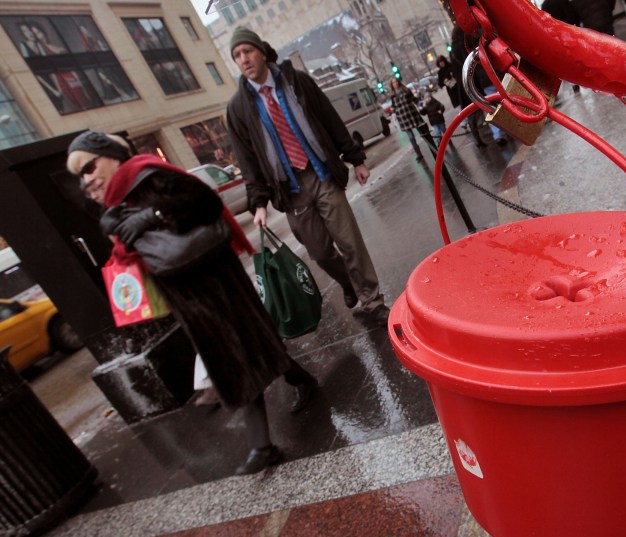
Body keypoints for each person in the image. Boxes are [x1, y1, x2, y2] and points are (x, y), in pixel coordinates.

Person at [66, 130, 318, 476]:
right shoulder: (114, 203)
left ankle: (262, 446)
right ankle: (300, 379)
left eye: (89, 166)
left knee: (237, 358)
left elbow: (206, 206)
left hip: (216, 281)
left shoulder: (150, 174)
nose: (87, 178)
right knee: (251, 348)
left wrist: (152, 215)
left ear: (110, 156)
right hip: (185, 296)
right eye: (80, 175)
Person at [225, 27, 390, 327]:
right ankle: (349, 283)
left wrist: (356, 159)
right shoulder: (239, 108)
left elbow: (329, 119)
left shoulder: (296, 82)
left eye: (247, 51)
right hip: (290, 189)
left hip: (321, 173)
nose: (243, 59)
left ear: (261, 52)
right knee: (320, 252)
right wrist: (258, 202)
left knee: (350, 241)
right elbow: (247, 160)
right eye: (237, 55)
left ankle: (373, 300)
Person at [389, 77, 429, 162]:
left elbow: (416, 100)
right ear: (392, 85)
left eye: (396, 82)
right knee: (411, 137)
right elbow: (393, 107)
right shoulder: (392, 95)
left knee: (422, 132)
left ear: (398, 82)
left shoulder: (405, 90)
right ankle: (419, 154)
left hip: (412, 114)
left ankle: (431, 147)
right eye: (393, 83)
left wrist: (421, 107)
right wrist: (394, 113)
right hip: (403, 118)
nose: (395, 84)